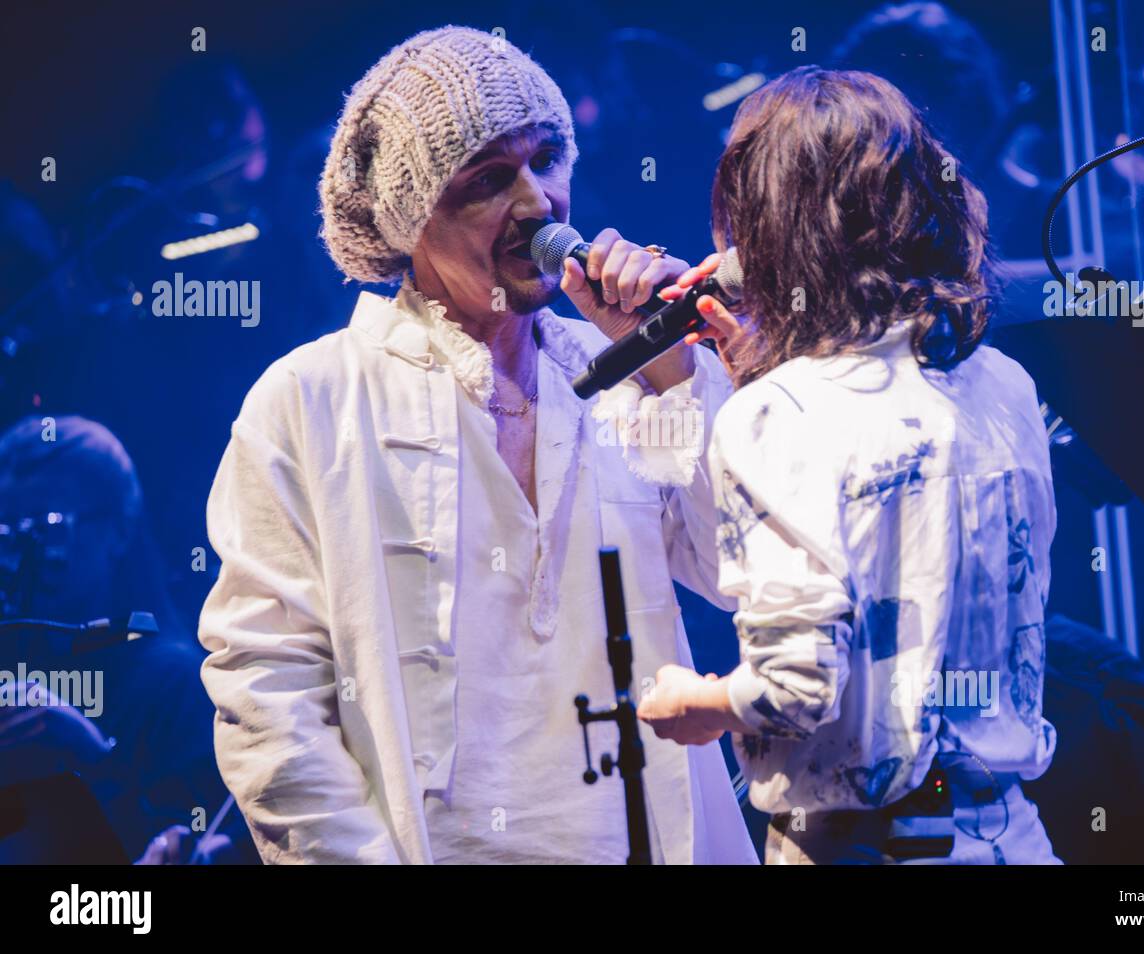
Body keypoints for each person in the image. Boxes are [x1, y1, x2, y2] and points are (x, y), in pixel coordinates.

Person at [198, 27, 755, 864]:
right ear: (407, 214)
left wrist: (673, 367)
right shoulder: (309, 402)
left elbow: (733, 570)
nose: (537, 202)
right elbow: (266, 697)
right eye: (490, 179)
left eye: (547, 160)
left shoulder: (620, 377)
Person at [637, 67, 1060, 864]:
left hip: (859, 847)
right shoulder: (1004, 385)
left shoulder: (778, 414)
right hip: (1010, 836)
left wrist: (693, 703)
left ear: (763, 219)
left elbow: (794, 690)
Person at [0, 414, 255, 863]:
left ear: (117, 530)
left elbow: (187, 840)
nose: (26, 558)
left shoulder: (176, 683)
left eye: (50, 529)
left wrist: (94, 757)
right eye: (8, 534)